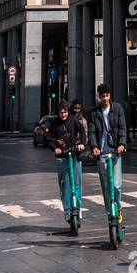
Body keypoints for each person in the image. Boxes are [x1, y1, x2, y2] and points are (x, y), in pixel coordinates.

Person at [89, 82, 128, 223]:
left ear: (109, 95)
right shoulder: (95, 113)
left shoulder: (117, 109)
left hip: (115, 151)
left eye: (107, 95)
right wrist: (94, 147)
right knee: (106, 185)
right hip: (102, 153)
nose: (105, 98)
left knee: (116, 185)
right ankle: (109, 213)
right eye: (102, 96)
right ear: (99, 97)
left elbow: (122, 128)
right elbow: (92, 132)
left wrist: (122, 144)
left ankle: (118, 209)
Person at [50, 99, 88, 231]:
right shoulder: (54, 123)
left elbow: (82, 132)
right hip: (62, 157)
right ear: (58, 113)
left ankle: (78, 208)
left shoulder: (73, 120)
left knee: (77, 183)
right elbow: (49, 139)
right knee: (64, 185)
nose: (63, 115)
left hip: (74, 155)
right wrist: (55, 148)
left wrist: (82, 144)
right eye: (61, 112)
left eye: (65, 112)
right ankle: (67, 212)